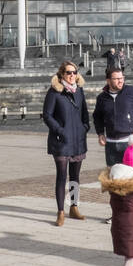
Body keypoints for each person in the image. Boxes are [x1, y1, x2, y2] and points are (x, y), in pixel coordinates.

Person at [42, 60, 90, 226]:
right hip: (61, 141)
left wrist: (85, 126)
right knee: (62, 176)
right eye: (68, 72)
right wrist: (60, 131)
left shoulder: (79, 91)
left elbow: (84, 111)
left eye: (74, 72)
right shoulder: (54, 92)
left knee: (75, 176)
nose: (72, 75)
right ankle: (61, 211)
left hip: (78, 140)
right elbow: (47, 115)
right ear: (61, 74)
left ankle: (74, 207)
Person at [93, 68, 133, 169]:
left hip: (131, 142)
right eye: (116, 78)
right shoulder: (102, 98)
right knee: (114, 179)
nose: (120, 80)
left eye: (122, 78)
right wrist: (100, 133)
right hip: (111, 144)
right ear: (108, 80)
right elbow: (97, 117)